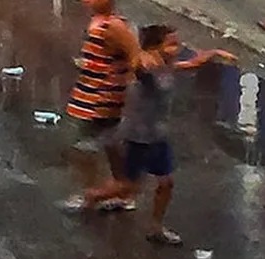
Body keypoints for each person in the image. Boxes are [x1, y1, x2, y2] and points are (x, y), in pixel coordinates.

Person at [82, 25, 236, 243]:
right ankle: (92, 196)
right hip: (138, 137)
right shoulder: (147, 68)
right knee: (128, 186)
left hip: (156, 136)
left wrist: (216, 53)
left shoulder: (166, 67)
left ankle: (155, 227)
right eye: (171, 44)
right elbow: (137, 65)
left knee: (165, 183)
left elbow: (193, 63)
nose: (177, 48)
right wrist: (141, 57)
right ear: (155, 46)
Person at [64, 0, 143, 212]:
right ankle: (122, 189)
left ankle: (92, 192)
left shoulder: (113, 25)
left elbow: (135, 57)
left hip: (101, 96)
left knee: (83, 145)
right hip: (91, 92)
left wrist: (127, 81)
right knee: (109, 144)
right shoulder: (99, 21)